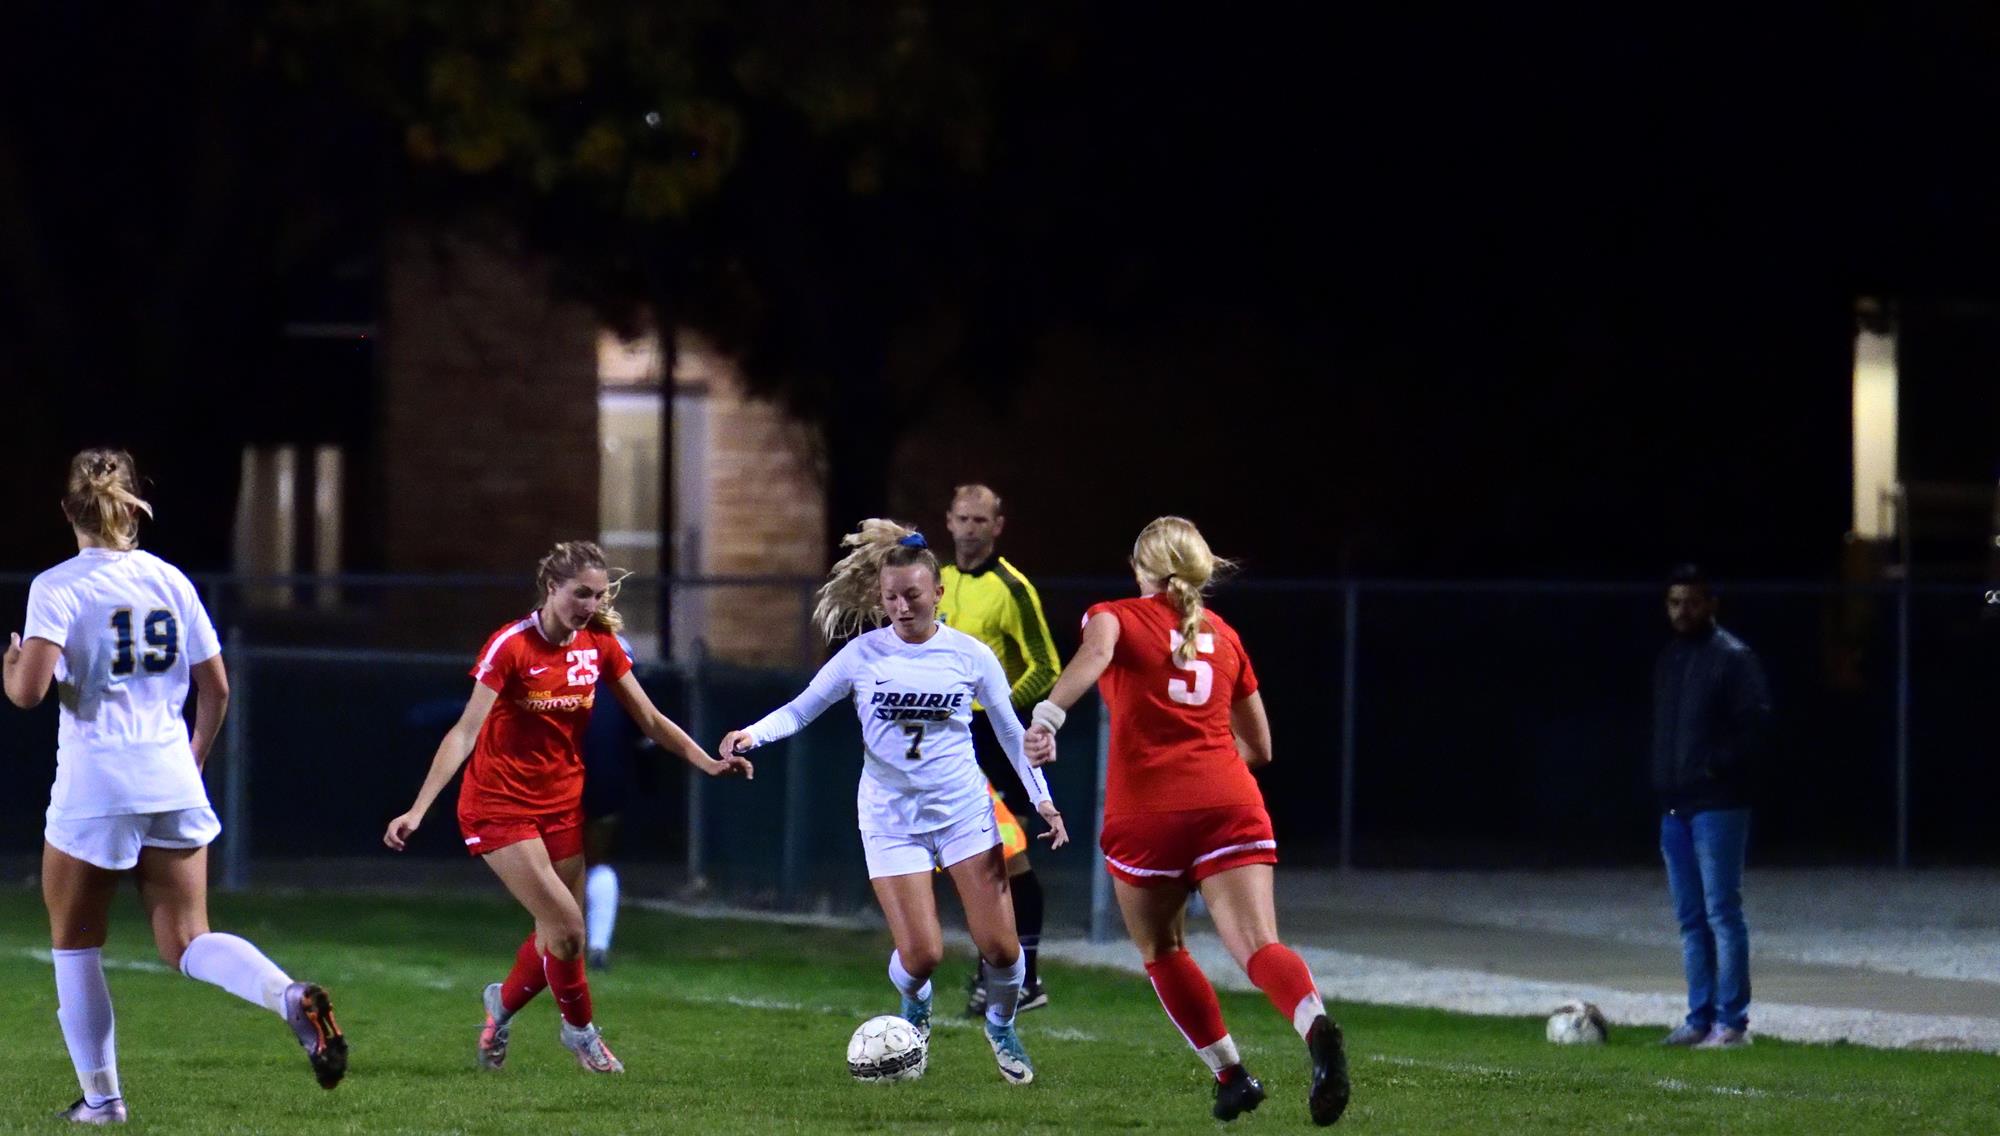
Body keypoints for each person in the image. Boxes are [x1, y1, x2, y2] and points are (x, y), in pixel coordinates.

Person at [2, 449, 347, 1125]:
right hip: (171, 779)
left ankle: (102, 1101)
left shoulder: (58, 585)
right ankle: (288, 996)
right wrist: (190, 756)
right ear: (132, 506)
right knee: (188, 939)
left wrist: (11, 663)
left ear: (68, 510)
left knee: (75, 944)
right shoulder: (169, 580)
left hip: (96, 785)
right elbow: (216, 686)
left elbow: (30, 691)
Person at [1023, 516, 1349, 1126]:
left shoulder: (1113, 615)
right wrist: (1211, 765)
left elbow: (1094, 657)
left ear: (1139, 566)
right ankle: (1315, 1025)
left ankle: (1231, 1076)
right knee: (1258, 947)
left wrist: (1047, 718)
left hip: (1148, 810)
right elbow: (1261, 748)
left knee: (1163, 950)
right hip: (1231, 799)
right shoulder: (1225, 635)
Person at [718, 520, 1068, 1085]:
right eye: (890, 598)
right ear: (879, 598)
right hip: (890, 821)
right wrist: (751, 734)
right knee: (922, 955)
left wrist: (1043, 801)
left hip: (963, 813)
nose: (902, 607)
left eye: (912, 595)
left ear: (937, 593)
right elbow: (801, 709)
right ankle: (915, 1013)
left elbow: (1009, 731)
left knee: (1002, 950)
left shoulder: (971, 656)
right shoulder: (863, 655)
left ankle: (1001, 1027)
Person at [384, 541, 751, 1074]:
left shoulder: (599, 642)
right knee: (572, 930)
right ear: (551, 588)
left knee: (555, 936)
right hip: (498, 805)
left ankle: (500, 1009)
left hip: (561, 803)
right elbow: (465, 732)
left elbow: (648, 719)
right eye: (581, 593)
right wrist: (418, 809)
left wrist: (707, 762)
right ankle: (581, 1033)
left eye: (598, 594)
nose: (589, 604)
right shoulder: (510, 646)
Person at [936, 484, 1061, 1016]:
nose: (970, 529)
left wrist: (999, 706)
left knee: (1005, 860)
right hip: (949, 742)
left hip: (990, 739)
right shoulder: (935, 581)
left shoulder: (1013, 588)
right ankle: (1002, 973)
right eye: (962, 519)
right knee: (979, 860)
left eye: (980, 520)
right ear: (948, 521)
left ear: (997, 526)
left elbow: (1046, 665)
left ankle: (1023, 976)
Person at [1652, 563, 1771, 1049]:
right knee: (1690, 918)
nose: (1684, 610)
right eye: (1676, 601)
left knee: (1722, 911)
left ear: (1711, 604)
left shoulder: (1732, 657)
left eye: (1693, 601)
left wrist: (1712, 767)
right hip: (1676, 806)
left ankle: (1732, 1023)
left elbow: (1757, 726)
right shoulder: (1672, 658)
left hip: (1719, 804)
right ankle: (1699, 1017)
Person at [580, 633, 651, 971]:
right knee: (594, 862)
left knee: (559, 869)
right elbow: (645, 738)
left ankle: (565, 944)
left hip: (559, 785)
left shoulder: (563, 676)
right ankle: (596, 944)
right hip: (604, 785)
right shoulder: (624, 689)